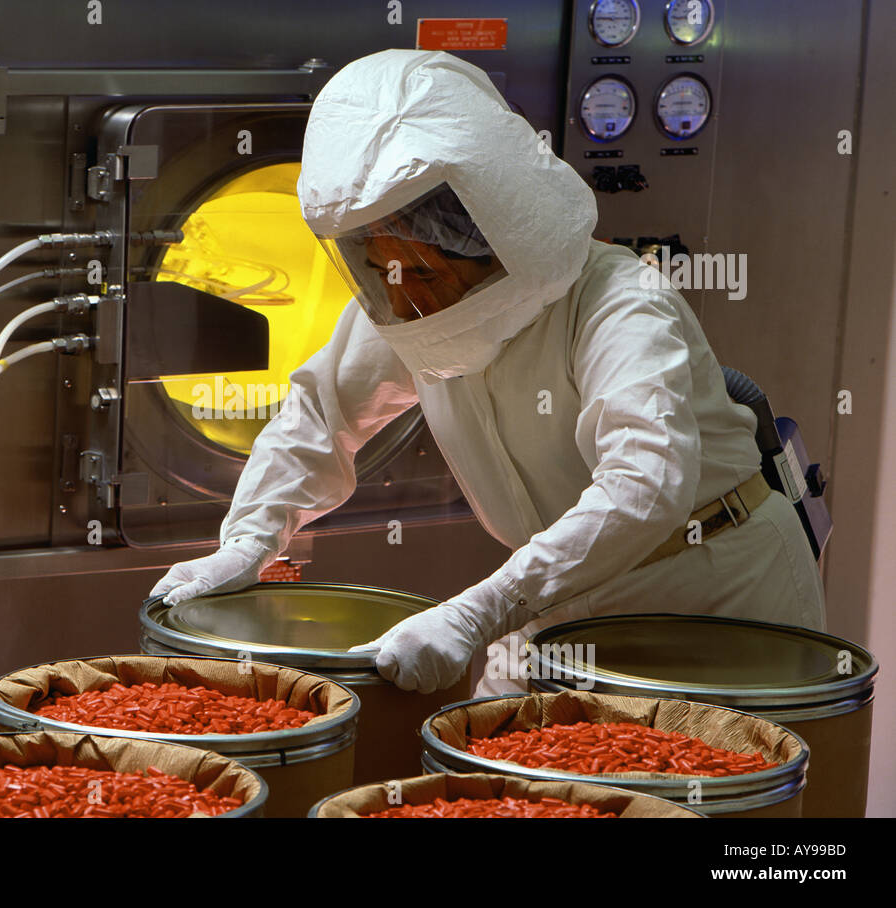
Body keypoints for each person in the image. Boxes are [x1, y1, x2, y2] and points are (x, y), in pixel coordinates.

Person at [150, 49, 826, 696]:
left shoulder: (619, 302)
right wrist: (248, 540)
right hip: (552, 589)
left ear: (495, 238)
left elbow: (644, 487)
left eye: (423, 269)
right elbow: (321, 416)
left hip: (710, 588)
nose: (406, 296)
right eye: (379, 266)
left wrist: (476, 612)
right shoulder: (409, 308)